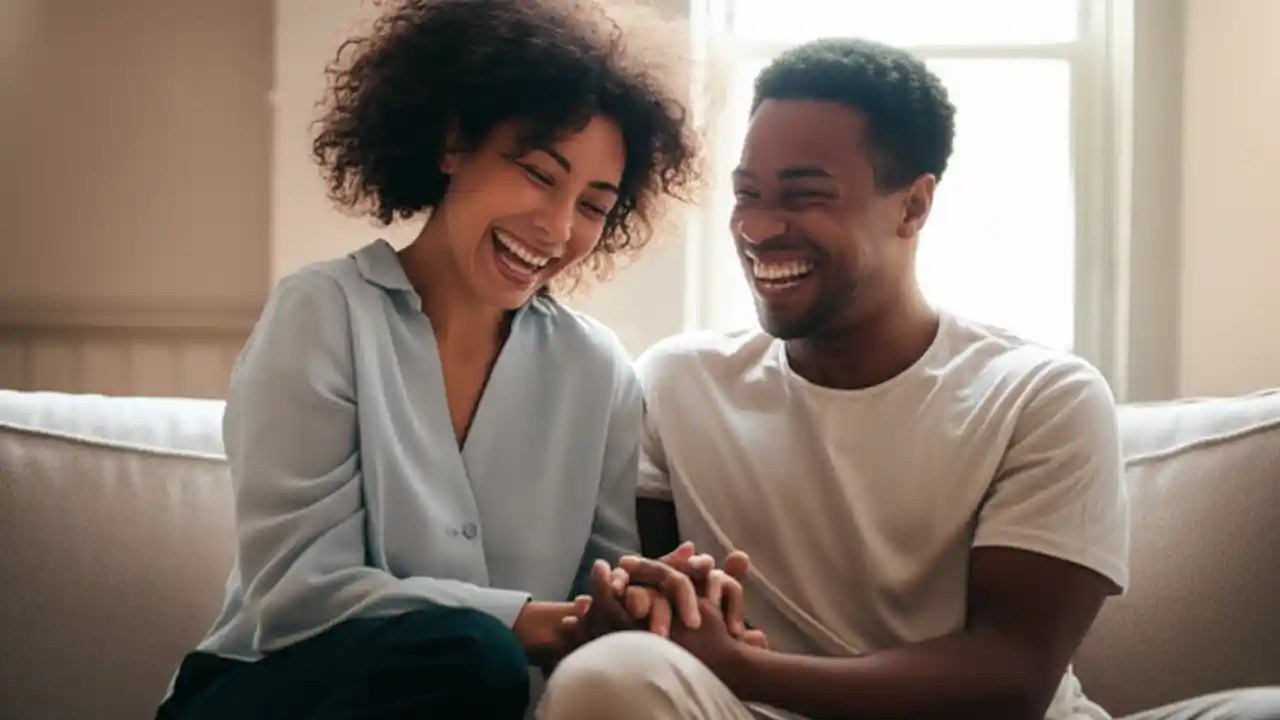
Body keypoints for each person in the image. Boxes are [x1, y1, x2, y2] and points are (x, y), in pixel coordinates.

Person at [538, 37, 1280, 720]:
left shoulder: (1039, 396)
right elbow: (659, 608)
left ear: (914, 205)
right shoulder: (678, 383)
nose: (759, 227)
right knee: (613, 673)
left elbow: (1013, 676)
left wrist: (746, 670)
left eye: (805, 194)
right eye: (748, 193)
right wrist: (627, 613)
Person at [155, 1, 754, 718]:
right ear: (452, 144)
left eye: (594, 205)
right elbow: (300, 596)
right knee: (475, 656)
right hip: (271, 691)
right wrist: (538, 622)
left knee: (487, 663)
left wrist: (644, 605)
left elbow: (595, 585)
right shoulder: (323, 315)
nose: (559, 228)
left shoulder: (599, 373)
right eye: (539, 174)